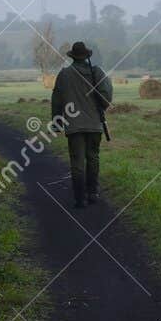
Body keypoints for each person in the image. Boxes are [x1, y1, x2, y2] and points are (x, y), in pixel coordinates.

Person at [50, 40, 113, 207]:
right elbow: (107, 97)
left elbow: (56, 100)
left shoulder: (64, 75)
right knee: (93, 159)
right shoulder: (96, 72)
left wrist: (56, 123)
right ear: (87, 56)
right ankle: (93, 192)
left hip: (74, 127)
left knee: (77, 163)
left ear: (72, 57)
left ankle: (80, 198)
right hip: (94, 125)